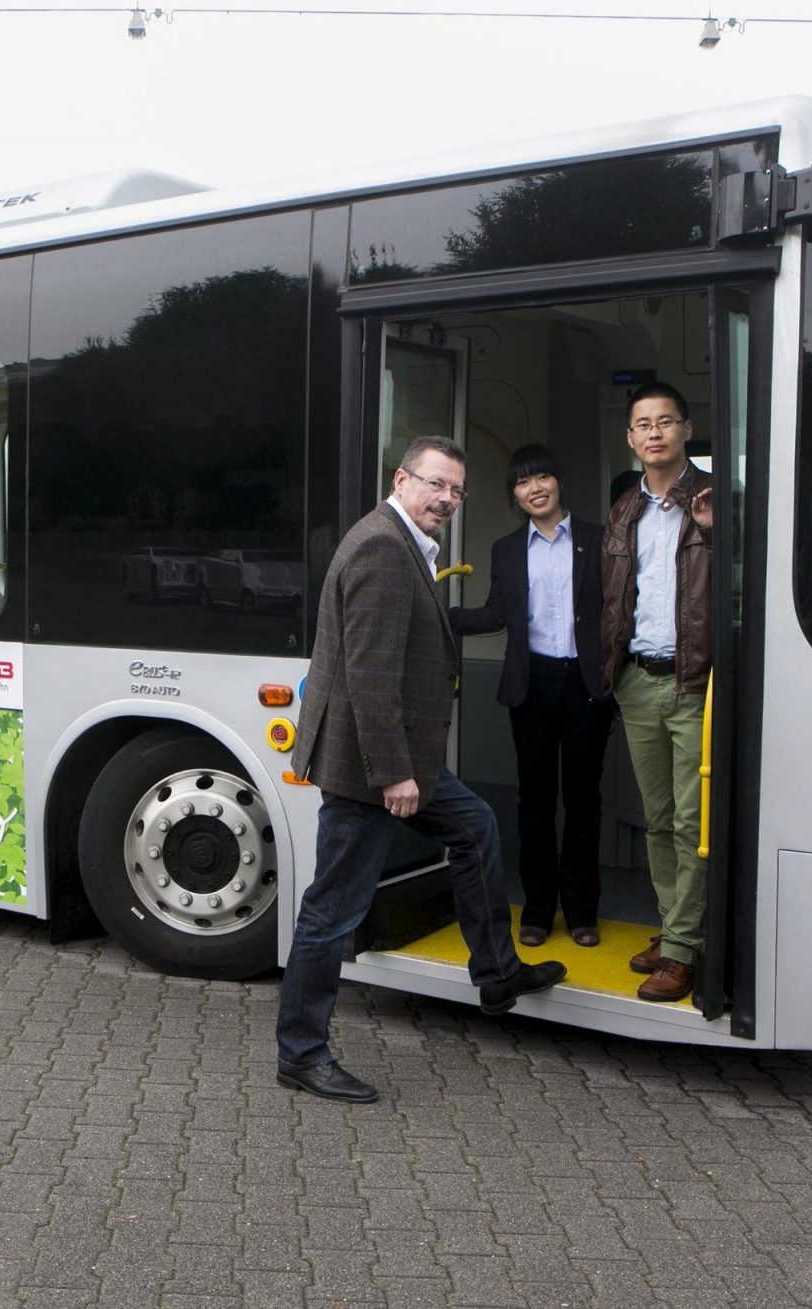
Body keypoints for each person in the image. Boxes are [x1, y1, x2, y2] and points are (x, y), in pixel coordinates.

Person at [277, 436, 565, 1103]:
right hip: (370, 766)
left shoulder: (404, 541)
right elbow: (369, 676)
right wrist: (393, 774)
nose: (446, 498)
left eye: (457, 489)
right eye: (435, 483)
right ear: (402, 479)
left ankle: (495, 972)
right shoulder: (382, 547)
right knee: (332, 910)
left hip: (404, 756)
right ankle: (300, 1052)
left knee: (475, 827)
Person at [451, 444, 613, 950]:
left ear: (559, 482)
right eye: (523, 483)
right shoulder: (506, 549)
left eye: (542, 477)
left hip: (587, 685)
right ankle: (539, 910)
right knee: (535, 801)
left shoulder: (598, 539)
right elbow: (497, 613)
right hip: (532, 684)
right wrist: (439, 614)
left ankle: (583, 910)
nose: (534, 488)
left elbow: (617, 609)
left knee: (583, 800)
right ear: (515, 494)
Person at [600, 382, 714, 1005]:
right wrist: (612, 672)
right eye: (642, 424)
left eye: (665, 421)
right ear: (630, 437)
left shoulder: (716, 499)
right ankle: (677, 934)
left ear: (685, 429)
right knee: (659, 821)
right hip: (638, 681)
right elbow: (616, 596)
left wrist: (719, 535)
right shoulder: (624, 509)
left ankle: (680, 948)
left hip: (694, 681)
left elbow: (756, 579)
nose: (654, 433)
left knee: (693, 822)